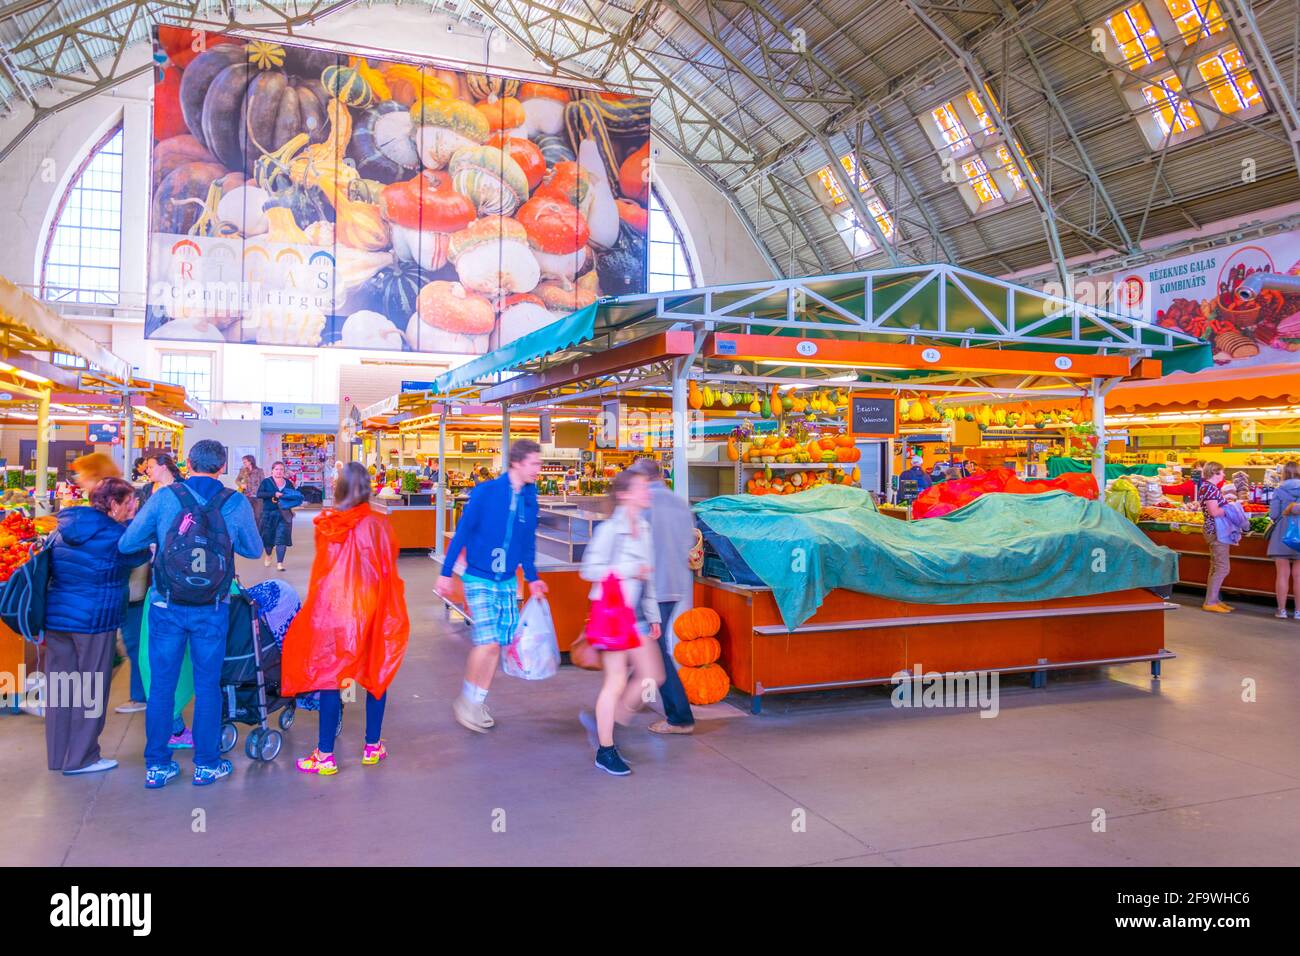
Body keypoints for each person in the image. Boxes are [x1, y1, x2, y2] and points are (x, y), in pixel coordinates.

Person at [118, 439, 262, 789]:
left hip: (166, 605)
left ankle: (157, 766)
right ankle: (207, 765)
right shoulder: (234, 501)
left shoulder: (165, 497)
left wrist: (158, 538)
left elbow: (127, 544)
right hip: (212, 607)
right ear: (222, 467)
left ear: (188, 462)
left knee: (162, 686)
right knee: (208, 685)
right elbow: (254, 550)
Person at [282, 463, 410, 775]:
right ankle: (372, 746)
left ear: (338, 488)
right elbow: (387, 570)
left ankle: (325, 754)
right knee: (376, 670)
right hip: (371, 608)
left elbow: (322, 573)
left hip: (335, 610)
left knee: (331, 676)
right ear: (367, 487)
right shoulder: (379, 525)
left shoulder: (326, 524)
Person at [436, 439, 548, 733]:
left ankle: (476, 700)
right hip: (479, 576)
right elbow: (463, 532)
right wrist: (446, 573)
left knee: (497, 644)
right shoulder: (486, 492)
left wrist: (533, 577)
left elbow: (527, 542)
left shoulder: (529, 497)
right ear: (517, 463)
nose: (538, 469)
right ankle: (465, 701)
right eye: (534, 463)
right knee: (486, 642)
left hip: (507, 580)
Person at [44, 478, 150, 775]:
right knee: (90, 689)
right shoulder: (115, 534)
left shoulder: (63, 527)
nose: (133, 508)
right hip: (94, 621)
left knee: (62, 688)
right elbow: (141, 555)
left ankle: (59, 755)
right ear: (113, 504)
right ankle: (82, 758)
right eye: (129, 503)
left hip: (58, 619)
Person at [579, 469, 663, 775]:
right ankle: (605, 749)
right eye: (642, 488)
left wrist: (653, 614)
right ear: (625, 494)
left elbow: (649, 575)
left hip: (638, 615)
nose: (648, 492)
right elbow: (588, 569)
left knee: (653, 677)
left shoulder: (644, 527)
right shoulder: (610, 531)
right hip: (615, 614)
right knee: (615, 681)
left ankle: (609, 719)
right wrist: (630, 568)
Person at [628, 459, 696, 736]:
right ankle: (637, 697)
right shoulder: (680, 503)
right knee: (646, 643)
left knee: (654, 650)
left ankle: (680, 717)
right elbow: (690, 541)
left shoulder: (642, 504)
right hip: (675, 585)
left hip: (651, 589)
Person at [1199, 461, 1233, 613]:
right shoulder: (1211, 488)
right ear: (1214, 473)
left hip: (1212, 530)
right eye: (1221, 472)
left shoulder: (1206, 487)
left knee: (1215, 566)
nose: (1224, 475)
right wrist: (1230, 510)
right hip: (1217, 531)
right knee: (1222, 567)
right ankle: (1211, 602)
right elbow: (1214, 512)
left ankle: (1213, 599)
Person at [1268, 460, 1300, 619]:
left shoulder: (1279, 490)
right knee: (1299, 576)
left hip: (1281, 534)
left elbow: (1273, 515)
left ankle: (1281, 610)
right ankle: (1298, 612)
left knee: (1282, 574)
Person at [257, 461, 301, 571]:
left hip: (284, 514)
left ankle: (280, 563)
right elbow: (259, 494)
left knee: (282, 538)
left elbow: (294, 496)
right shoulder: (266, 482)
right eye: (277, 469)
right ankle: (268, 554)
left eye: (281, 469)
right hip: (268, 514)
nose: (279, 471)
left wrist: (291, 499)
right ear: (272, 470)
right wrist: (273, 494)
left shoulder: (288, 483)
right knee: (268, 538)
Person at [237, 455, 265, 526]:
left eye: (245, 461)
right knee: (247, 516)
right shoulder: (242, 470)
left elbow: (263, 483)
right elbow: (237, 480)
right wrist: (241, 484)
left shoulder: (259, 471)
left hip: (258, 497)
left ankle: (258, 534)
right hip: (247, 496)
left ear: (250, 461)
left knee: (258, 516)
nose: (243, 463)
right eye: (243, 462)